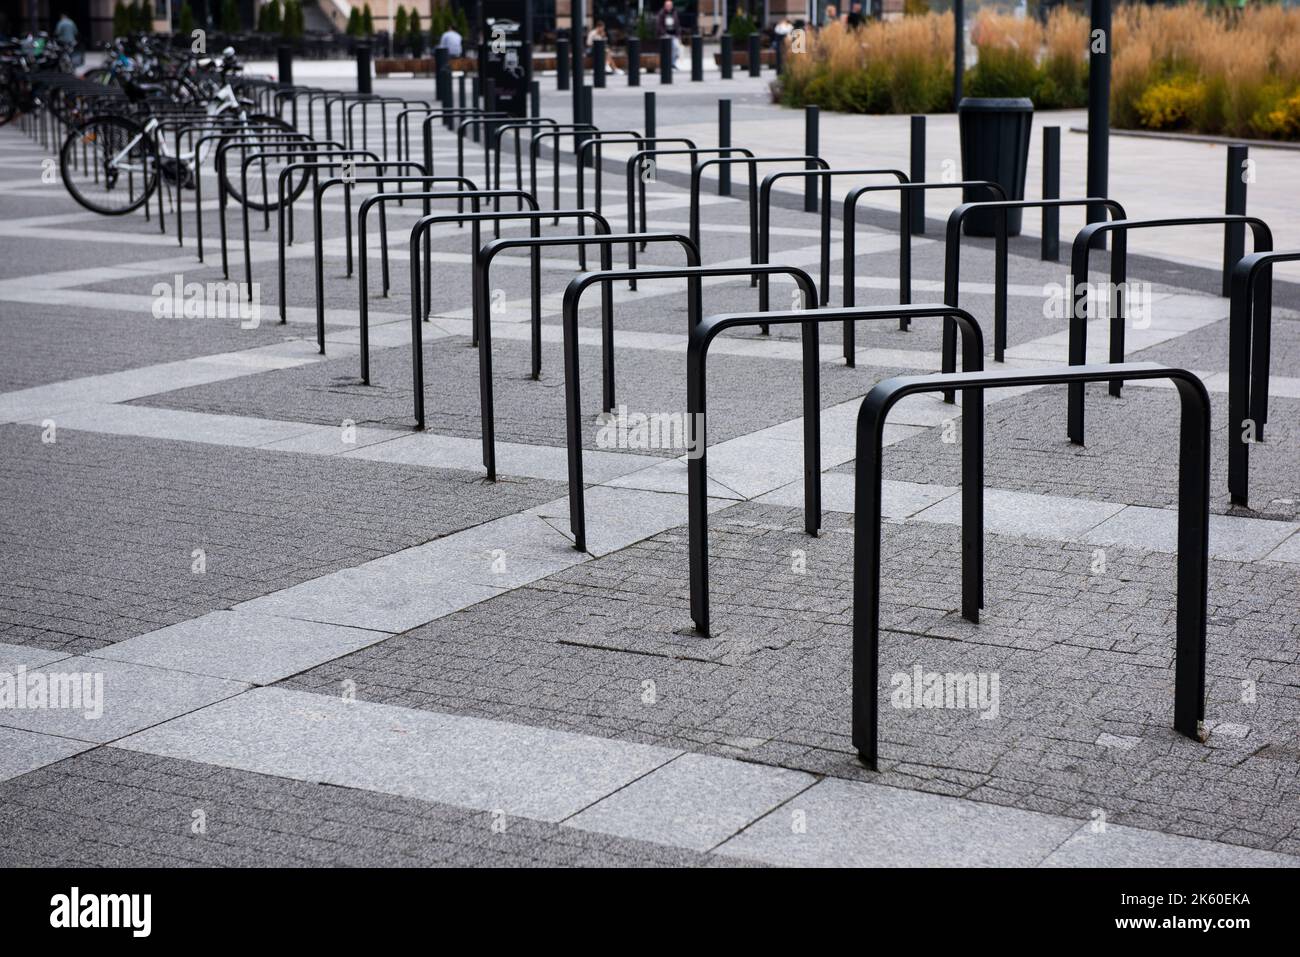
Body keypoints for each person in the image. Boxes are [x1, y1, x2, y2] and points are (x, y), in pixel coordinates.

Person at [656, 0, 681, 71]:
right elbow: (659, 25)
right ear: (664, 6)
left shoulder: (674, 12)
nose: (668, 7)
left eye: (670, 5)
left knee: (677, 48)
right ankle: (666, 65)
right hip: (665, 35)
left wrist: (678, 35)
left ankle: (672, 64)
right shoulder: (661, 13)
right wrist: (664, 34)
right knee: (667, 50)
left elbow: (677, 25)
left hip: (674, 35)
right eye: (667, 5)